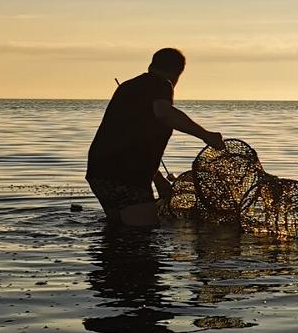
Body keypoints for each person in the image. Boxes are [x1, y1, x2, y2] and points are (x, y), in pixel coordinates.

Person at [87, 47, 228, 226]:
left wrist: (158, 180)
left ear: (151, 65)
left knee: (119, 229)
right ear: (178, 72)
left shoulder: (129, 86)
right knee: (143, 231)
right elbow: (164, 113)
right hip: (124, 174)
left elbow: (133, 143)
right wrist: (206, 135)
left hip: (99, 170)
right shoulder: (161, 84)